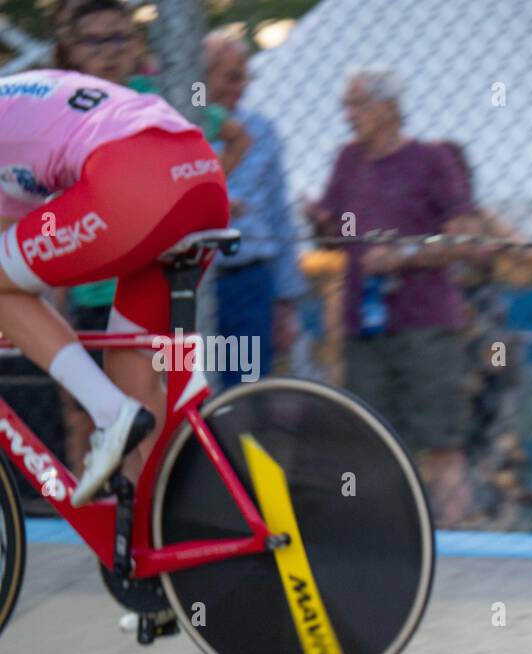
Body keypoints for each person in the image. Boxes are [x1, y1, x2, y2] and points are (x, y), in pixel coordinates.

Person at [0, 68, 229, 504]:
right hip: (199, 178)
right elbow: (14, 247)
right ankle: (162, 529)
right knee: (131, 369)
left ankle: (109, 414)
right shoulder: (18, 95)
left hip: (135, 181)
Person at [309, 69, 482, 526]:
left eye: (357, 105)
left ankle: (456, 538)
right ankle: (385, 537)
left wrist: (404, 255)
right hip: (363, 324)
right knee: (371, 438)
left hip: (424, 321)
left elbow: (463, 238)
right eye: (346, 105)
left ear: (388, 107)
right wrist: (321, 223)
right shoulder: (348, 161)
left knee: (440, 438)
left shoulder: (431, 160)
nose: (348, 116)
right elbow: (335, 240)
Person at [203, 29, 305, 389]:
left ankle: (231, 447)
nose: (241, 87)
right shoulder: (179, 123)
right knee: (191, 389)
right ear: (204, 76)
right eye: (231, 77)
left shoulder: (261, 130)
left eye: (246, 77)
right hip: (191, 278)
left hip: (247, 278)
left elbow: (280, 213)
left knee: (244, 391)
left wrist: (286, 301)